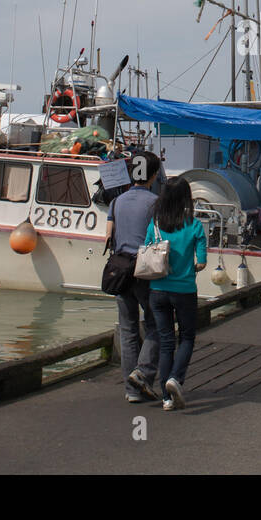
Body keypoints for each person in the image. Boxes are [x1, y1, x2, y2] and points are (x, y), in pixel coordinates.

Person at [148, 176, 208, 411]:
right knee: (187, 337)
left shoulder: (155, 223)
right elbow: (202, 256)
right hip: (184, 289)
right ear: (186, 198)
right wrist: (196, 264)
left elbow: (146, 247)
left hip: (158, 289)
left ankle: (166, 397)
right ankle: (176, 378)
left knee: (165, 342)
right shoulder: (193, 224)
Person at [107, 151, 162, 404]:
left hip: (120, 269)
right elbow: (162, 239)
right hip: (144, 270)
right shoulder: (155, 202)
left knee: (128, 329)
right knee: (157, 325)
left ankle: (131, 391)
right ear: (152, 175)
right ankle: (143, 372)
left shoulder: (116, 202)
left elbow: (109, 235)